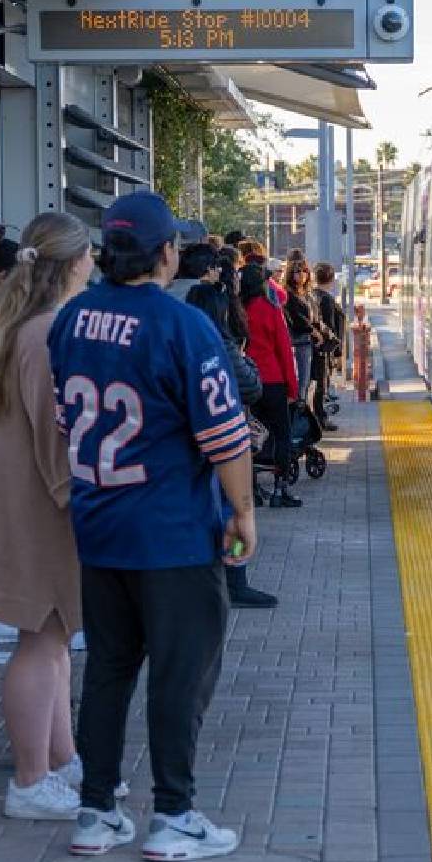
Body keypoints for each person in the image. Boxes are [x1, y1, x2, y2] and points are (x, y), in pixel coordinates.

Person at [49, 192, 255, 862]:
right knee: (180, 671)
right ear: (166, 252)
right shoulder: (182, 325)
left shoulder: (71, 319)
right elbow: (225, 438)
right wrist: (244, 513)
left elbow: (63, 423)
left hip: (99, 525)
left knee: (108, 671)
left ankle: (97, 810)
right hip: (170, 530)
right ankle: (173, 814)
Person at [0, 211, 93, 821]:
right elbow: (54, 433)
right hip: (39, 507)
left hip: (16, 500)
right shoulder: (47, 333)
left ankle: (61, 760)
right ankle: (31, 780)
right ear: (71, 263)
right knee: (41, 641)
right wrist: (81, 499)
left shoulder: (18, 327)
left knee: (54, 636)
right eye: (88, 254)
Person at [169, 244, 275, 610]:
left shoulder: (168, 305)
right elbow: (249, 384)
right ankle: (235, 576)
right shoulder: (212, 337)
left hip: (179, 442)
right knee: (230, 507)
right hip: (215, 435)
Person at [240, 264, 300, 509]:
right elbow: (284, 351)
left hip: (245, 381)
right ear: (263, 284)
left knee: (248, 436)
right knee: (281, 435)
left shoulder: (237, 310)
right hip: (272, 380)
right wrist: (293, 388)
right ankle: (280, 489)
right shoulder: (271, 310)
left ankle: (252, 486)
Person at [310, 263, 345, 431]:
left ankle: (316, 417)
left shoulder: (311, 295)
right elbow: (331, 327)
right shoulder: (327, 299)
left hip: (313, 347)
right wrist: (337, 353)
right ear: (331, 279)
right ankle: (320, 419)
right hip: (324, 349)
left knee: (314, 385)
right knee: (321, 385)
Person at [281, 261, 321, 405]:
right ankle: (298, 417)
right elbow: (297, 319)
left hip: (307, 342)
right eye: (297, 271)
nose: (302, 274)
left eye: (305, 271)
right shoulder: (288, 293)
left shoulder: (306, 293)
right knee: (300, 383)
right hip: (298, 342)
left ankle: (301, 413)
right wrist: (313, 331)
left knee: (307, 382)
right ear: (290, 274)